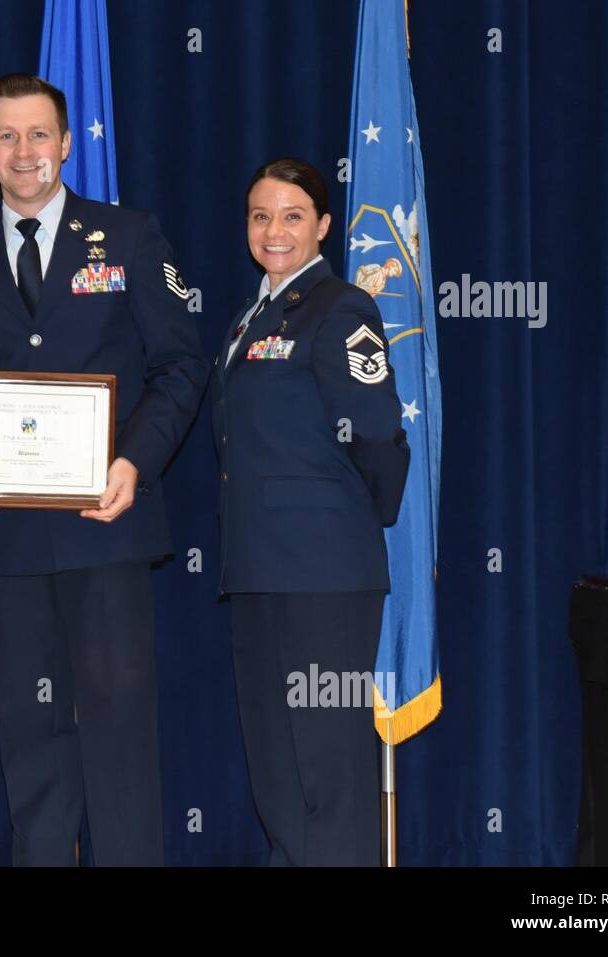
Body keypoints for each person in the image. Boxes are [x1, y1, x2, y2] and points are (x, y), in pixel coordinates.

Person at [0, 73, 208, 866]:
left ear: (67, 142)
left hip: (103, 531)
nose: (25, 152)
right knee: (29, 743)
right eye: (7, 136)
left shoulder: (132, 237)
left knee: (118, 741)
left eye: (39, 134)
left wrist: (135, 461)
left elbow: (182, 363)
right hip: (1, 544)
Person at [211, 158, 410, 866]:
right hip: (260, 572)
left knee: (331, 772)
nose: (274, 230)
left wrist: (353, 521)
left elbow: (379, 434)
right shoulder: (250, 315)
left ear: (323, 225)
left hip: (325, 577)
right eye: (261, 215)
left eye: (292, 215)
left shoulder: (341, 308)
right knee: (276, 773)